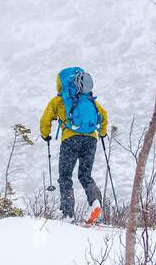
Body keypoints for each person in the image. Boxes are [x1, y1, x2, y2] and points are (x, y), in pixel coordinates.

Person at [39, 67, 108, 220]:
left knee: (65, 177)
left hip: (70, 140)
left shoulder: (59, 100)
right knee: (85, 175)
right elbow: (103, 116)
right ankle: (95, 202)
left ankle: (68, 214)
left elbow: (45, 119)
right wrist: (102, 132)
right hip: (91, 140)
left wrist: (45, 135)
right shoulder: (90, 100)